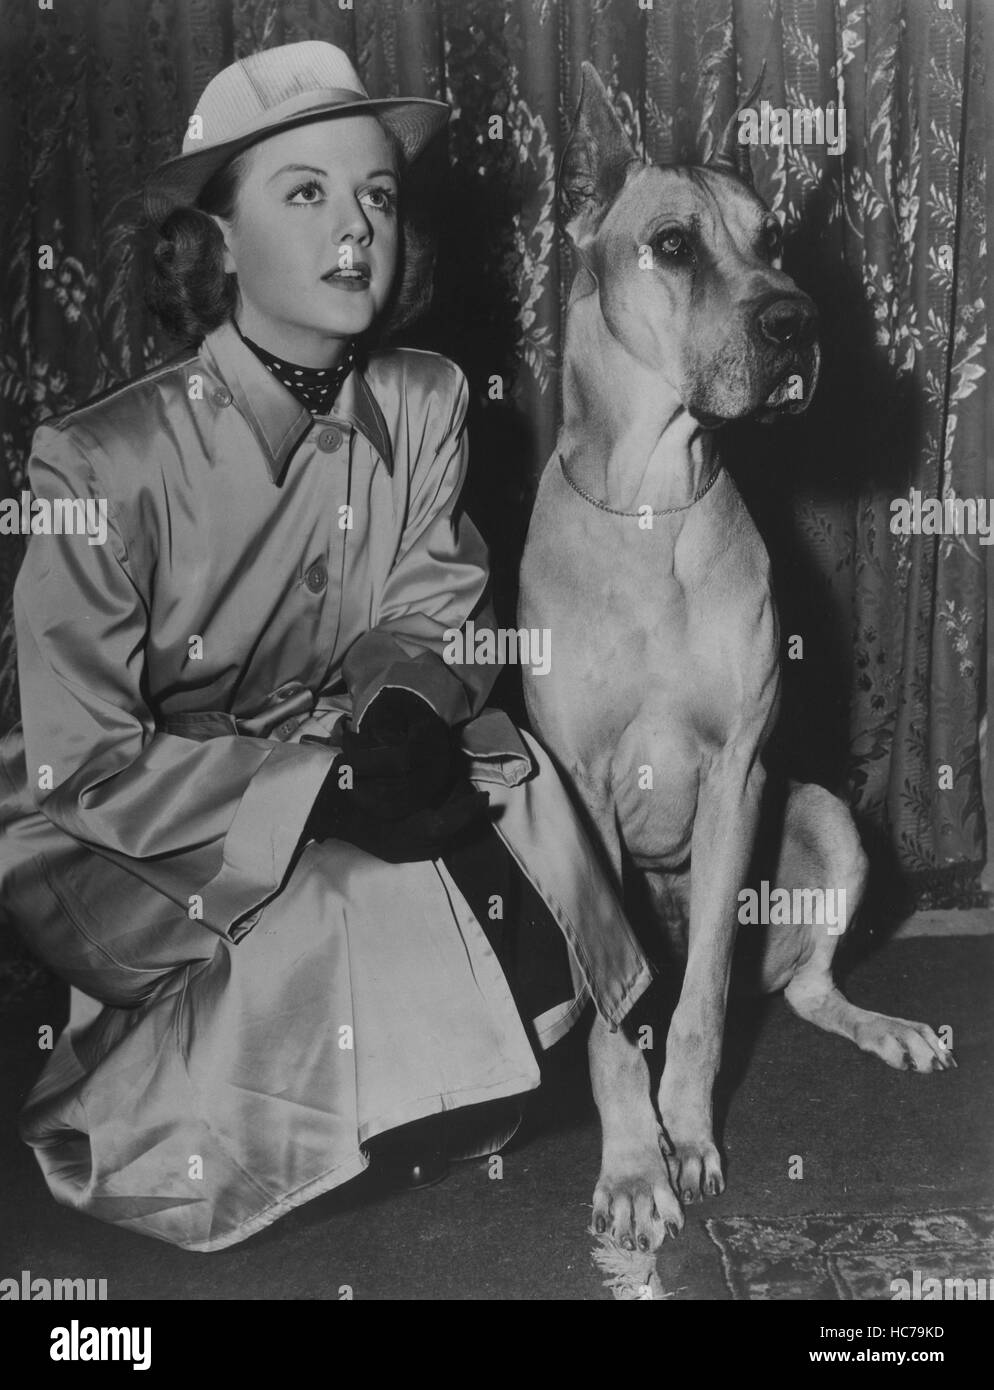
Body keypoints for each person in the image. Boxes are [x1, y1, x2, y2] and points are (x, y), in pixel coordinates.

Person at [0, 41, 651, 1252]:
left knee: (515, 791)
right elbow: (77, 764)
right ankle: (151, 1101)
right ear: (216, 244)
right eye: (305, 193)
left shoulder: (424, 396)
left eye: (377, 196)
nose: (356, 226)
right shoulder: (95, 462)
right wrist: (320, 788)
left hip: (320, 740)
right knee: (353, 891)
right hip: (113, 819)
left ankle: (414, 1065)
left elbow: (428, 609)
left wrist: (398, 709)